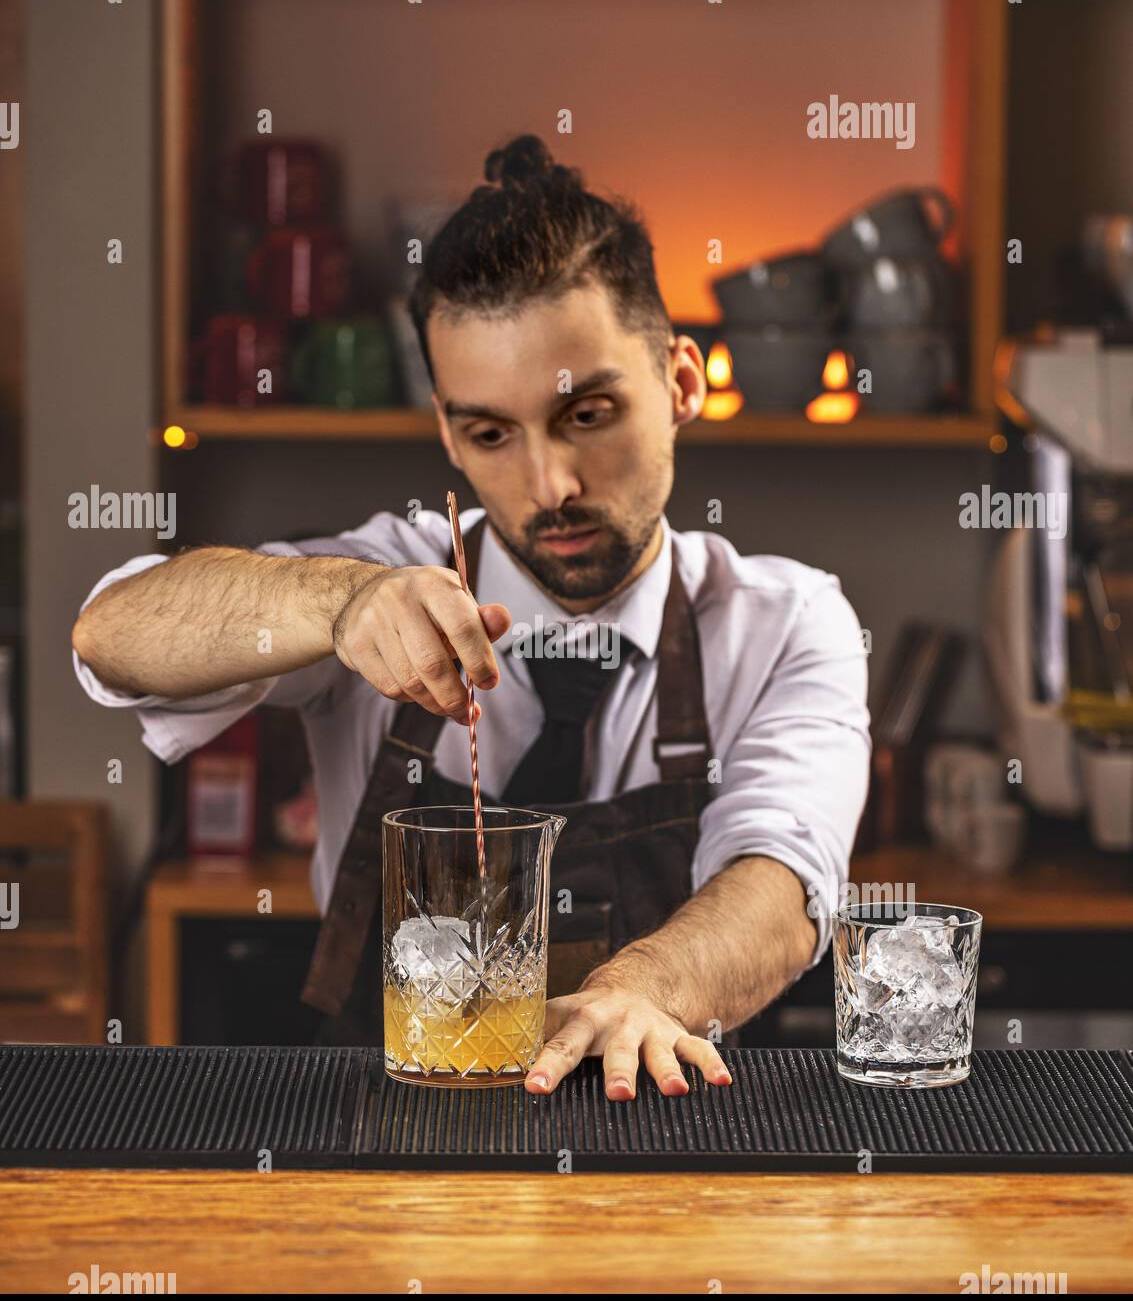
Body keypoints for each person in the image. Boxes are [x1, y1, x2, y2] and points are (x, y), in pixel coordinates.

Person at [72, 134, 870, 1100]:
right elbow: (111, 635)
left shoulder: (785, 620)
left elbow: (780, 884)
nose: (550, 485)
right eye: (491, 433)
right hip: (382, 1133)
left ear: (682, 383)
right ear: (450, 434)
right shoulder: (381, 576)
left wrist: (638, 988)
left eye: (587, 414)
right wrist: (337, 602)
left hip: (661, 1130)